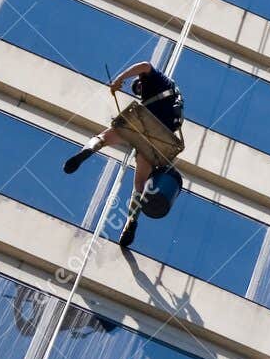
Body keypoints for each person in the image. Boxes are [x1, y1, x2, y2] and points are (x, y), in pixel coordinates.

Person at [62, 60, 184, 249]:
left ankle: (87, 151)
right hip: (157, 138)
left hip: (145, 124)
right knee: (139, 184)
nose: (140, 91)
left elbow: (145, 65)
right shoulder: (172, 96)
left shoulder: (158, 80)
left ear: (141, 82)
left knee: (103, 137)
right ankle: (131, 221)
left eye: (138, 87)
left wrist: (119, 79)